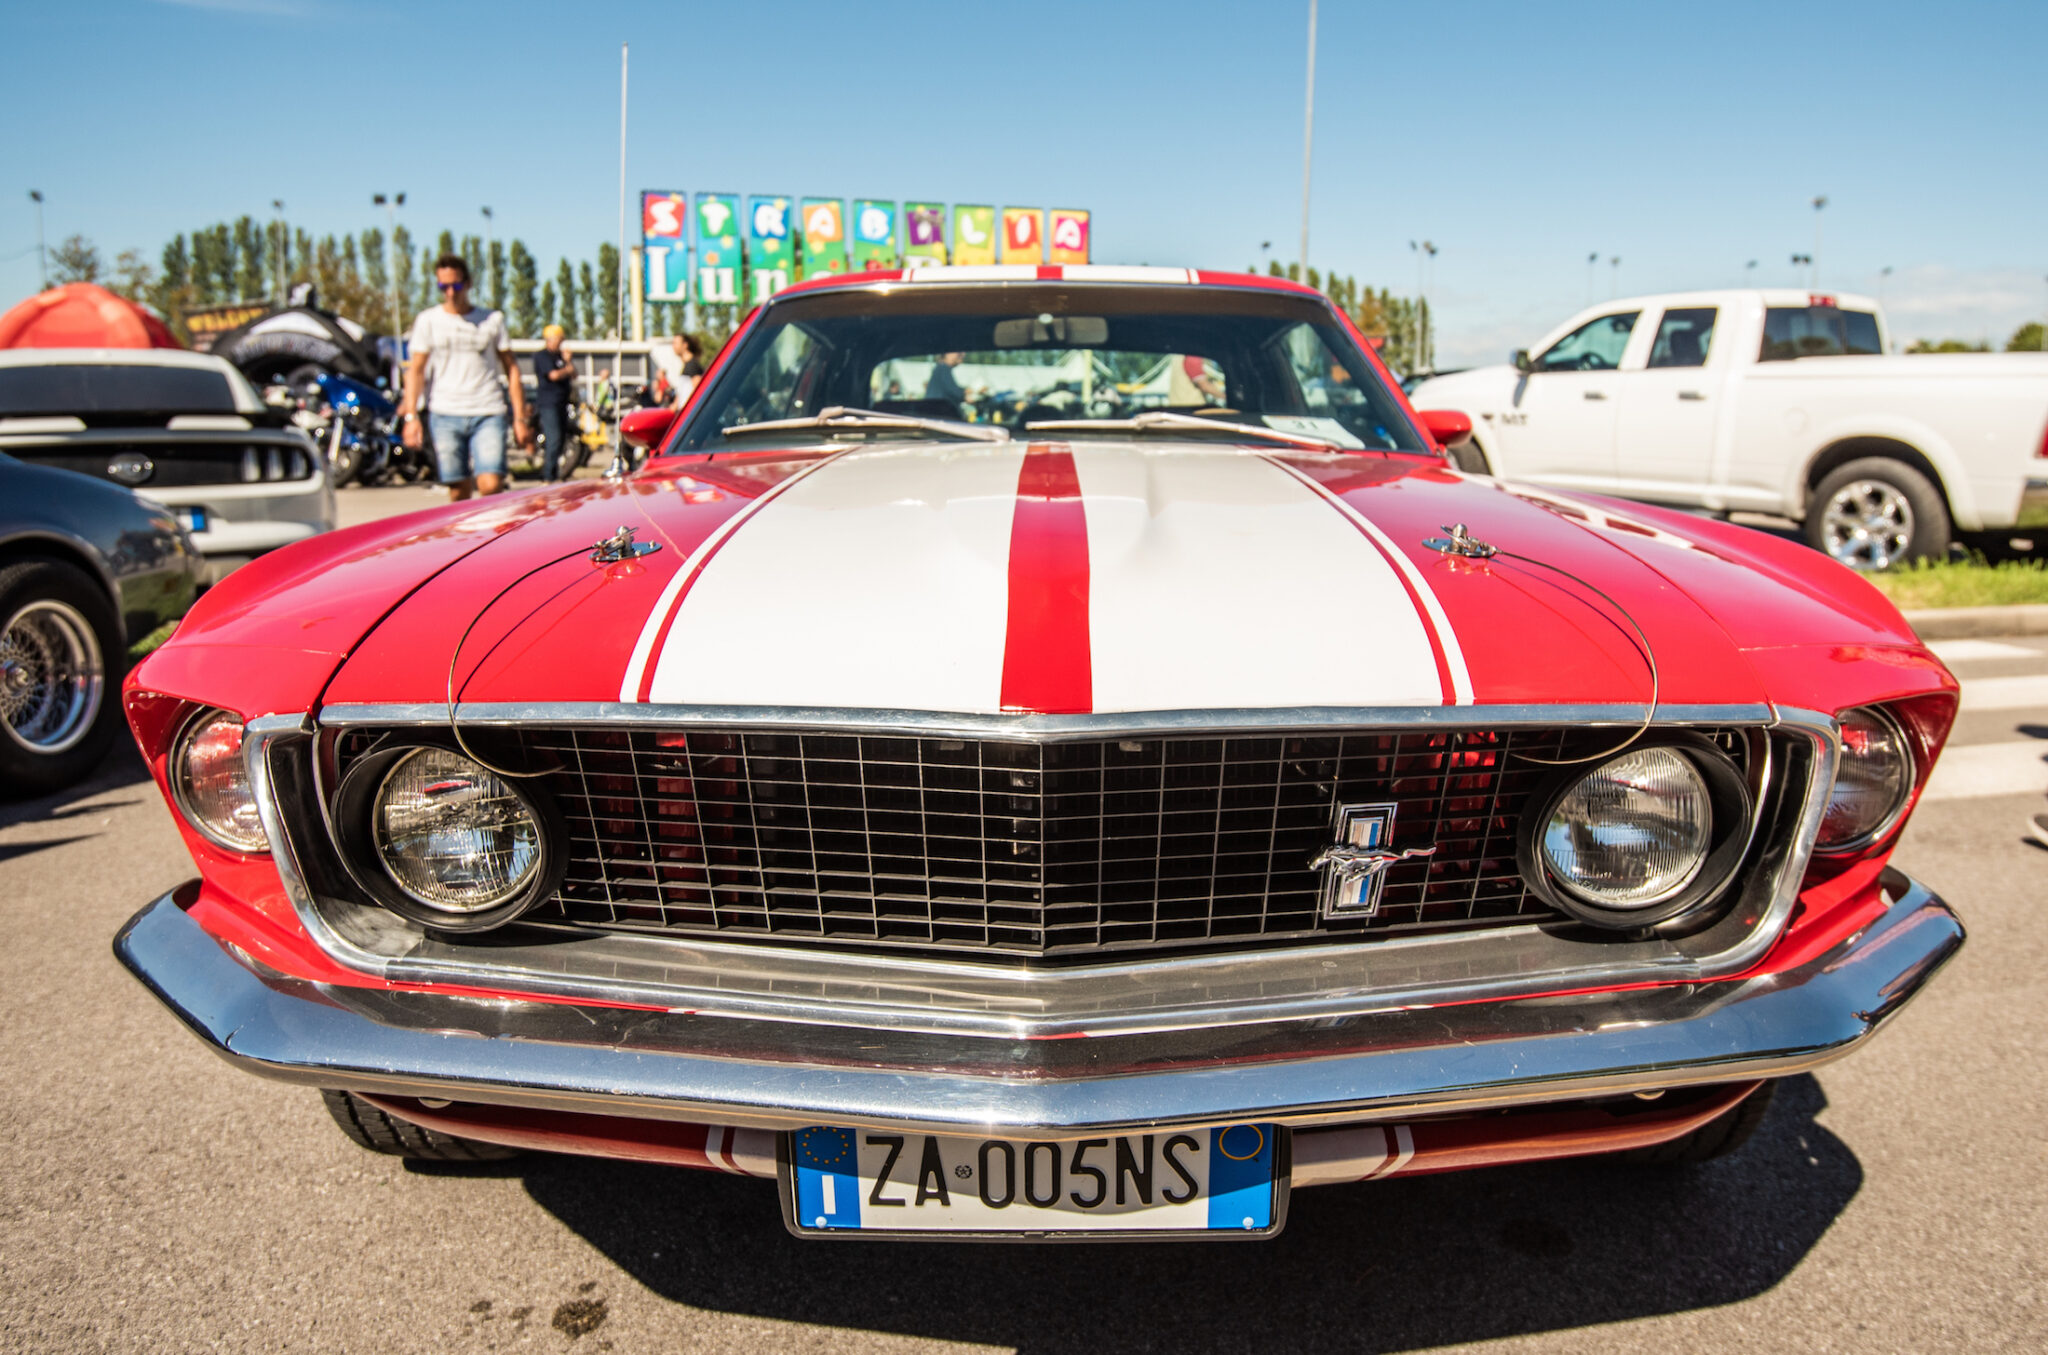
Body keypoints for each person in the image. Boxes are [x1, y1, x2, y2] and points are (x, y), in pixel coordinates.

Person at [398, 253, 529, 501]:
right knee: (458, 491)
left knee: (490, 485)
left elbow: (511, 368)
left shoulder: (492, 319)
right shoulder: (428, 320)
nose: (450, 293)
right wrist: (411, 416)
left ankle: (492, 526)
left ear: (468, 284)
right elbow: (415, 370)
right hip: (445, 412)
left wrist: (520, 418)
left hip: (488, 410)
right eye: (443, 287)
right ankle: (468, 527)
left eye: (456, 286)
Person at [531, 324, 575, 482]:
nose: (561, 343)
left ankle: (556, 474)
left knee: (562, 439)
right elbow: (553, 376)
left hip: (563, 403)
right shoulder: (542, 356)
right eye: (559, 339)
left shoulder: (561, 357)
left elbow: (574, 374)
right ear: (550, 339)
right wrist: (567, 370)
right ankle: (548, 476)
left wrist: (568, 362)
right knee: (554, 439)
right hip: (549, 404)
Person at [670, 334, 705, 409]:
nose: (673, 346)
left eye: (675, 343)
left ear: (685, 345)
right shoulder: (687, 365)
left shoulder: (692, 365)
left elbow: (698, 390)